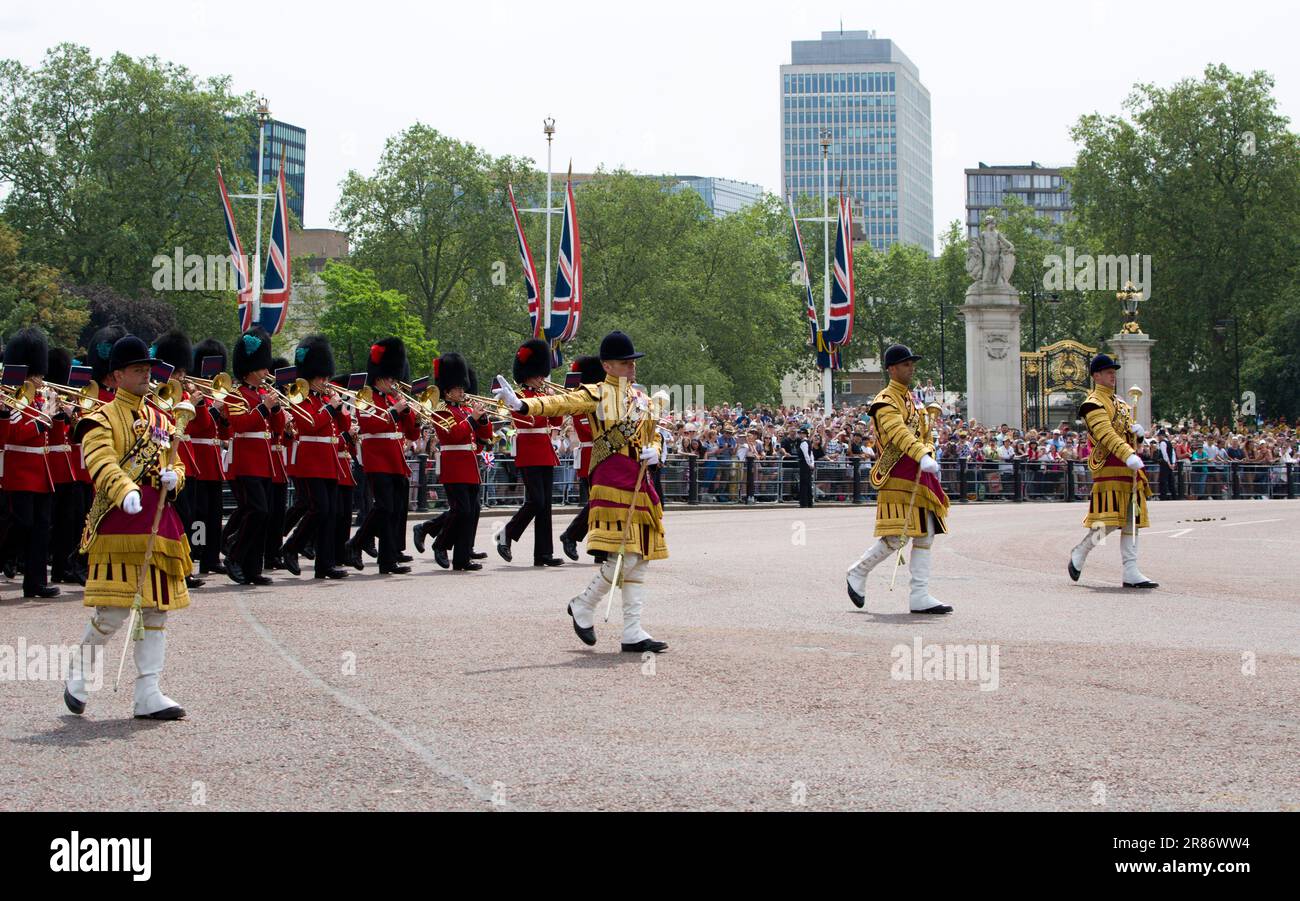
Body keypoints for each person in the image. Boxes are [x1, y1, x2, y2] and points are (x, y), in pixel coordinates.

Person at [493, 330, 669, 653]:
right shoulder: (596, 393)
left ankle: (631, 629)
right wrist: (521, 404)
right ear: (607, 365)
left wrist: (656, 450)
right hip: (612, 483)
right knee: (624, 556)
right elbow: (561, 402)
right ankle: (584, 604)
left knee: (640, 558)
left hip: (640, 484)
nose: (631, 367)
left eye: (632, 362)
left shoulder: (641, 400)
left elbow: (651, 434)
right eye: (624, 362)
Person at [63, 336, 191, 720]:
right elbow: (100, 461)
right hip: (121, 521)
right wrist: (124, 490)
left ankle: (148, 692)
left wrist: (175, 478)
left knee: (156, 612)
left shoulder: (163, 419)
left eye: (147, 370)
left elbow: (178, 462)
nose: (145, 377)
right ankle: (79, 675)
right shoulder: (100, 419)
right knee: (113, 613)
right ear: (117, 375)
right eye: (137, 371)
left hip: (159, 523)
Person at [845, 344, 952, 614]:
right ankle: (857, 572)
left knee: (925, 533)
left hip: (915, 471)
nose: (910, 367)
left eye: (911, 363)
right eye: (905, 364)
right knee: (897, 535)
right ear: (892, 369)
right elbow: (898, 434)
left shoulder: (910, 400)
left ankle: (920, 594)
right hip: (898, 473)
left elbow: (917, 433)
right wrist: (922, 455)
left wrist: (929, 442)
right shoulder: (884, 401)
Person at [1066, 354, 1157, 589]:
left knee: (1131, 522)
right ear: (1096, 376)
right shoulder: (1092, 404)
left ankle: (1131, 569)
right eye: (1108, 372)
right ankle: (1081, 551)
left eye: (1113, 372)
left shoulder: (1122, 404)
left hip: (1129, 468)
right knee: (1108, 521)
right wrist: (1128, 454)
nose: (1112, 375)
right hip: (1110, 466)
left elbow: (1126, 434)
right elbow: (1106, 435)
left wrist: (1138, 436)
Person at [279, 335, 348, 579]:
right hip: (311, 461)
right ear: (310, 377)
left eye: (326, 377)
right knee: (319, 509)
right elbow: (311, 425)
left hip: (328, 461)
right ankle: (291, 547)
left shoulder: (323, 399)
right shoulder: (300, 397)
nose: (325, 381)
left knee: (330, 512)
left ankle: (325, 565)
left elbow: (344, 426)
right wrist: (330, 408)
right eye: (321, 377)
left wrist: (340, 408)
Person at [348, 337, 420, 575]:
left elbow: (410, 432)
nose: (393, 382)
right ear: (379, 377)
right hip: (377, 457)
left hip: (395, 458)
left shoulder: (392, 398)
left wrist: (412, 415)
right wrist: (394, 411)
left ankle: (387, 559)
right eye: (390, 378)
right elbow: (369, 424)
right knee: (385, 507)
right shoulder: (366, 396)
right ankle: (358, 543)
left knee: (395, 510)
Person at [223, 328, 285, 585]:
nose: (265, 372)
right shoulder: (235, 395)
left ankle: (253, 568)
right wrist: (263, 407)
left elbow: (279, 428)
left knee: (265, 514)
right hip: (247, 460)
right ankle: (234, 556)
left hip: (263, 462)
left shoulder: (261, 395)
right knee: (256, 511)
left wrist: (277, 408)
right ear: (249, 368)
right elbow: (241, 424)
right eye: (261, 368)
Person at [1, 327, 59, 598]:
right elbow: (15, 433)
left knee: (41, 529)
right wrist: (43, 417)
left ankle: (35, 583)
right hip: (21, 471)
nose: (41, 379)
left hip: (42, 472)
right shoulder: (13, 397)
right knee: (20, 524)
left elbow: (54, 435)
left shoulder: (40, 397)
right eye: (36, 374)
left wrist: (57, 412)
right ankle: (8, 560)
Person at [498, 338, 564, 567]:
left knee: (545, 504)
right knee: (536, 501)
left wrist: (556, 401)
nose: (542, 379)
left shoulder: (542, 394)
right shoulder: (517, 397)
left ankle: (543, 554)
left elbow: (557, 418)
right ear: (527, 375)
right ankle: (506, 533)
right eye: (538, 375)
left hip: (544, 451)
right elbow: (525, 421)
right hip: (528, 451)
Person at [429, 353, 493, 571]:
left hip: (470, 466)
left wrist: (483, 419)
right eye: (458, 389)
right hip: (454, 465)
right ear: (447, 391)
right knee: (461, 511)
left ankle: (462, 558)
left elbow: (485, 435)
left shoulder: (464, 410)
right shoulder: (441, 411)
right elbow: (453, 435)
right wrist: (472, 419)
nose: (462, 392)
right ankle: (440, 544)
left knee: (472, 512)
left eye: (461, 388)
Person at [559, 355, 604, 561]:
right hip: (590, 456)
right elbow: (588, 430)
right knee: (598, 502)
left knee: (602, 503)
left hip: (601, 456)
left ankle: (600, 549)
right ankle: (570, 535)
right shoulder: (581, 403)